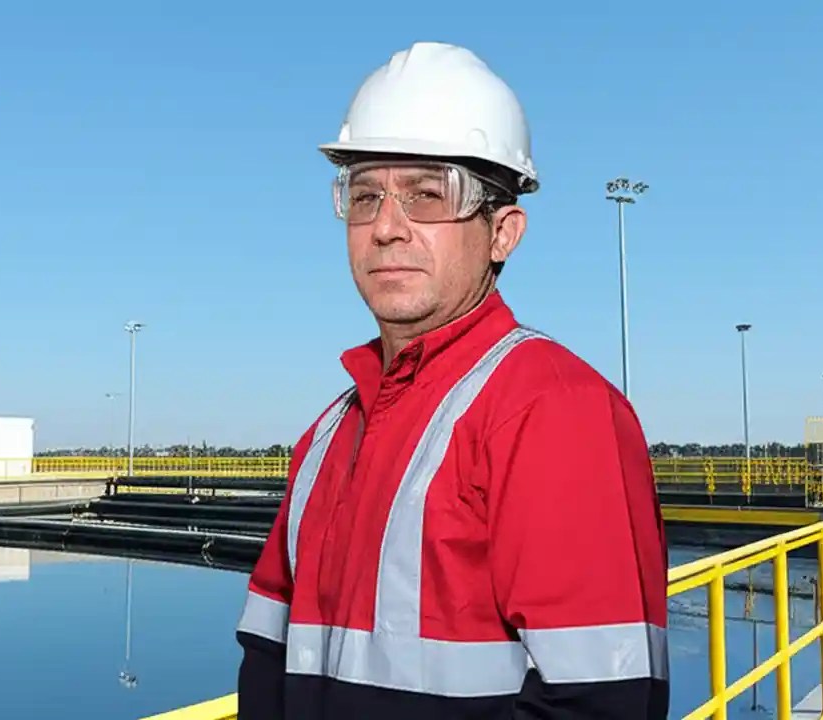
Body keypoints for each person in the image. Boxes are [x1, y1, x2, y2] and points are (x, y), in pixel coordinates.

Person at [234, 41, 669, 719]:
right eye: (365, 195)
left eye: (428, 196)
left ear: (504, 232)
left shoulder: (555, 410)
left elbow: (601, 703)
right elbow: (266, 663)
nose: (386, 228)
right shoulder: (326, 437)